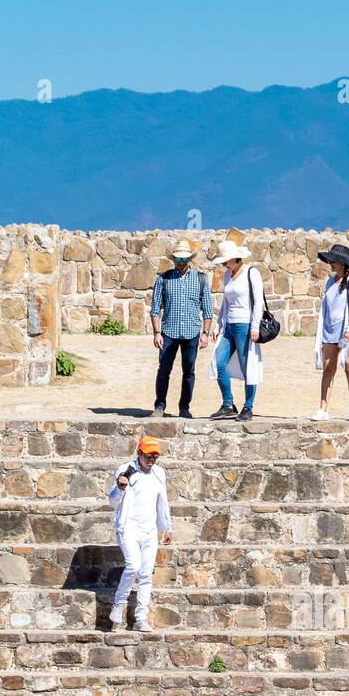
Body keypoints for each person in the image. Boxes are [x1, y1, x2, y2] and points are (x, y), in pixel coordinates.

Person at [108, 436, 172, 634]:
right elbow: (113, 501)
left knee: (146, 574)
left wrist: (166, 527)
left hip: (149, 530)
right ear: (139, 453)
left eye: (155, 456)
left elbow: (163, 501)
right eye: (148, 455)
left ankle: (140, 618)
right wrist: (120, 487)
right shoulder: (127, 469)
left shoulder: (159, 473)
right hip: (129, 529)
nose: (152, 459)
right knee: (133, 566)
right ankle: (119, 604)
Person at [150, 240, 213, 419]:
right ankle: (159, 406)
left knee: (189, 372)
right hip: (168, 332)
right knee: (164, 370)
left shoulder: (201, 279)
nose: (181, 263)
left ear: (190, 259)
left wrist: (205, 334)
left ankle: (184, 407)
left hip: (192, 332)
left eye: (184, 259)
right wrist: (156, 332)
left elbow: (207, 309)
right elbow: (155, 309)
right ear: (173, 260)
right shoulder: (163, 279)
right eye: (178, 259)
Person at [208, 239, 264, 422]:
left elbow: (258, 302)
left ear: (236, 258)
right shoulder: (227, 275)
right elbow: (226, 302)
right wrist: (219, 325)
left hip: (244, 325)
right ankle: (228, 404)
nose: (224, 264)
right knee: (219, 362)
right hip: (229, 326)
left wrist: (255, 326)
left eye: (226, 261)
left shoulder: (251, 273)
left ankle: (248, 407)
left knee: (247, 366)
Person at [312, 243, 349, 422]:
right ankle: (323, 408)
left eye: (334, 260)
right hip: (330, 331)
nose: (331, 263)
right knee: (328, 369)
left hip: (347, 332)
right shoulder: (330, 281)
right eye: (330, 260)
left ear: (343, 262)